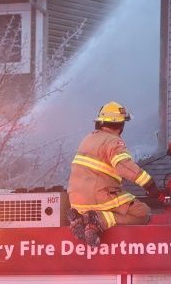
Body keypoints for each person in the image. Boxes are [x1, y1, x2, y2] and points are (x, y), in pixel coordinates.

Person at [67, 101, 159, 246]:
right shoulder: (113, 142)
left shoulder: (87, 139)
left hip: (76, 200)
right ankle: (100, 220)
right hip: (100, 196)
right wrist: (150, 185)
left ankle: (83, 219)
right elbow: (124, 166)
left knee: (97, 207)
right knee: (143, 213)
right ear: (121, 125)